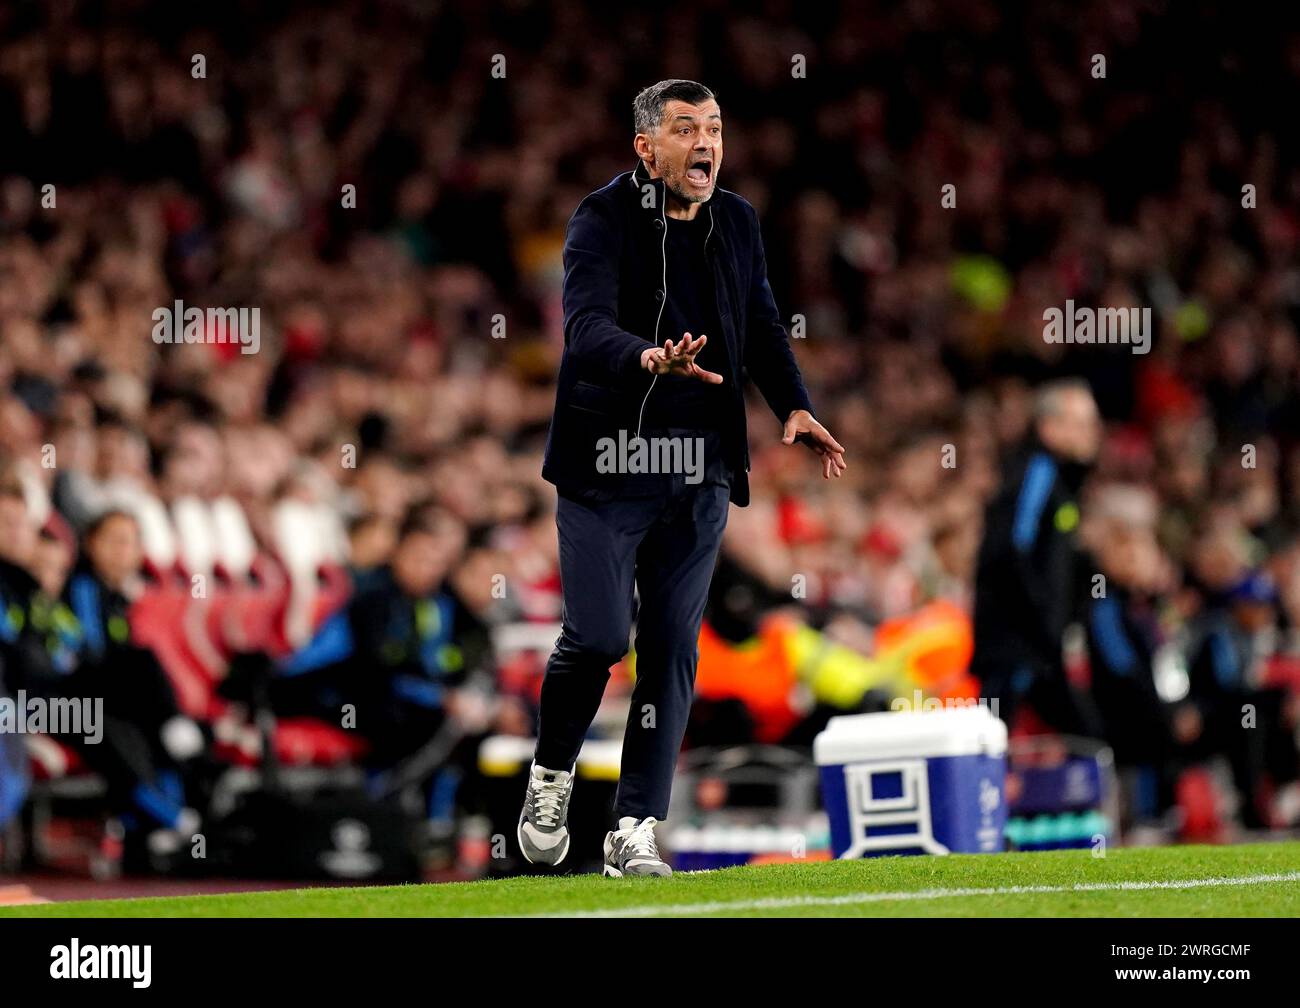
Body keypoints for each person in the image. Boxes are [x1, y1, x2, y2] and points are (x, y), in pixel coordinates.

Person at [521, 79, 845, 877]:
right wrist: (645, 356)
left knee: (669, 652)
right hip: (608, 464)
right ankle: (550, 774)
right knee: (599, 637)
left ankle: (634, 827)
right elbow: (585, 325)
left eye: (715, 128)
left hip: (697, 471)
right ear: (647, 147)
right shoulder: (599, 220)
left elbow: (763, 322)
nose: (707, 142)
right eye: (686, 128)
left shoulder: (737, 222)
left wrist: (793, 405)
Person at [971, 379, 1103, 737]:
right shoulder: (1037, 471)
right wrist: (1045, 619)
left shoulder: (1060, 481)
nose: (1092, 433)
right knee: (992, 739)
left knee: (1085, 736)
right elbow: (1014, 548)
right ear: (1048, 427)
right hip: (1016, 643)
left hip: (1039, 646)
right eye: (1080, 423)